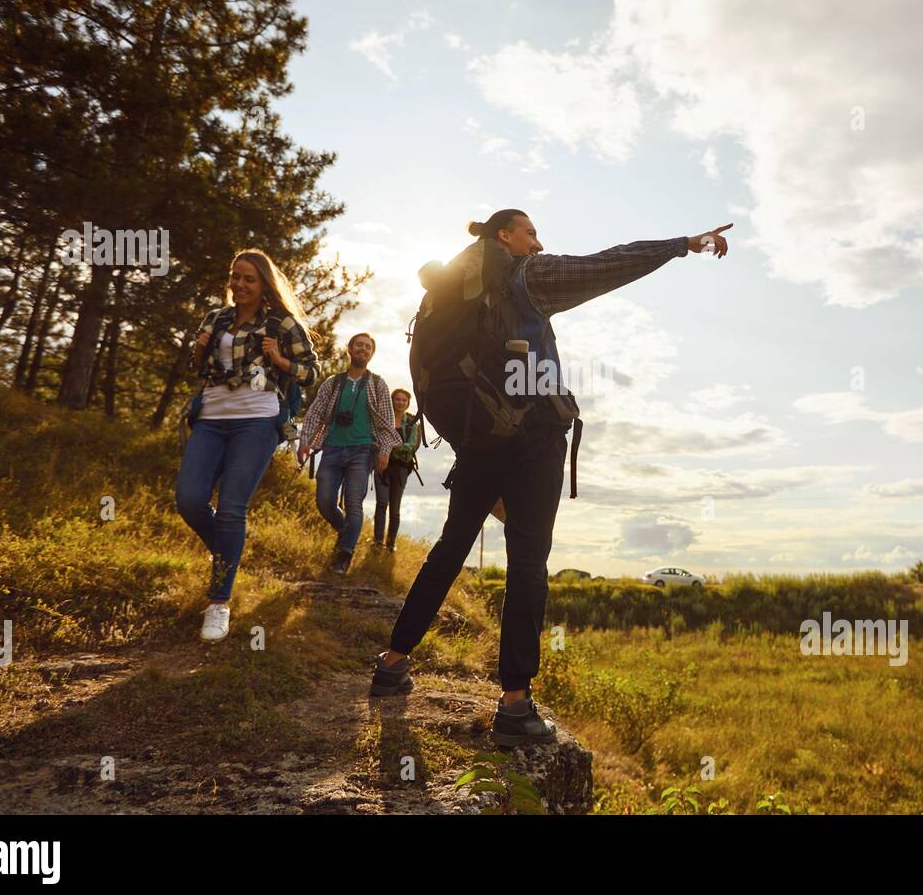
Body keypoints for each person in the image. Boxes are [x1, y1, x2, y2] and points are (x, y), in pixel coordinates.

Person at [370, 209, 731, 748]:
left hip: (481, 436)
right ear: (505, 237)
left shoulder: (459, 295)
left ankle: (392, 662)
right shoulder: (527, 277)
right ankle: (515, 705)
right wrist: (683, 243)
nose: (539, 243)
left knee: (449, 549)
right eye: (531, 233)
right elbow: (607, 266)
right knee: (529, 564)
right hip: (533, 437)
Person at [176, 249, 321, 643]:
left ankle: (218, 603)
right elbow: (200, 367)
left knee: (231, 508)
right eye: (235, 277)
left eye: (249, 279)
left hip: (257, 419)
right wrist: (199, 349)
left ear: (264, 284)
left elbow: (312, 372)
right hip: (210, 416)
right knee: (189, 500)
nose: (240, 285)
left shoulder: (281, 322)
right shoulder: (216, 317)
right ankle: (230, 550)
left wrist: (280, 359)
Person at [297, 332, 400, 575]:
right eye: (359, 345)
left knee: (354, 503)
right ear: (350, 349)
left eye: (368, 347)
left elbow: (387, 422)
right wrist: (305, 442)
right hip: (331, 449)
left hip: (362, 452)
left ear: (371, 354)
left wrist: (384, 451)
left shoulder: (377, 384)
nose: (363, 350)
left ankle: (345, 554)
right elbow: (314, 413)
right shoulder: (333, 383)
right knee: (324, 501)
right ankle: (346, 530)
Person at [373, 388, 421, 553]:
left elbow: (411, 445)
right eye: (397, 399)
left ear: (408, 403)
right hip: (381, 465)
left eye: (404, 400)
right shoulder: (383, 420)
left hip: (401, 469)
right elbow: (377, 441)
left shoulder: (413, 422)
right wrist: (391, 448)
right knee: (381, 503)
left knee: (395, 508)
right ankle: (378, 542)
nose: (400, 402)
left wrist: (390, 447)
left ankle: (391, 544)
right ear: (392, 401)